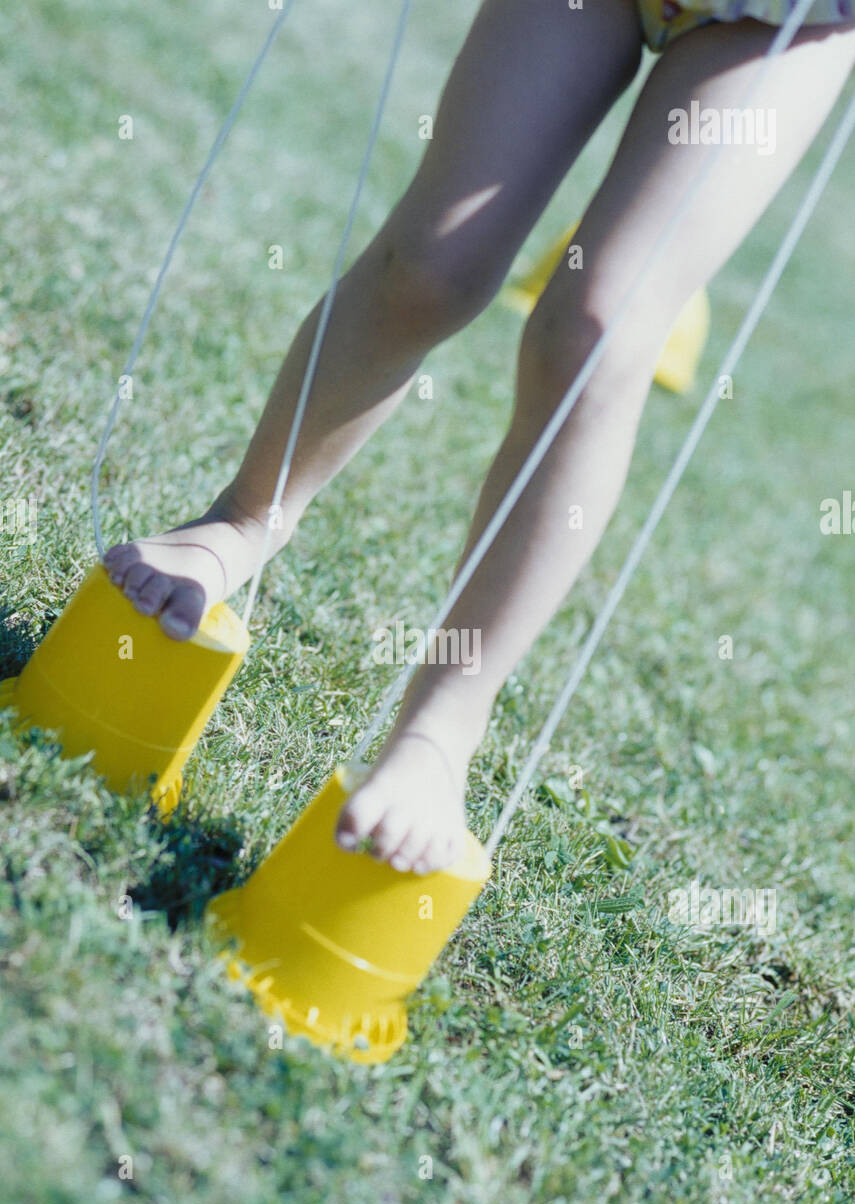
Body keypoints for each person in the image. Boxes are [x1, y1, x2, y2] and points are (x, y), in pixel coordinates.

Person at [104, 0, 855, 873]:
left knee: (597, 328)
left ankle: (444, 721)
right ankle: (242, 519)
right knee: (433, 263)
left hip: (779, 16)